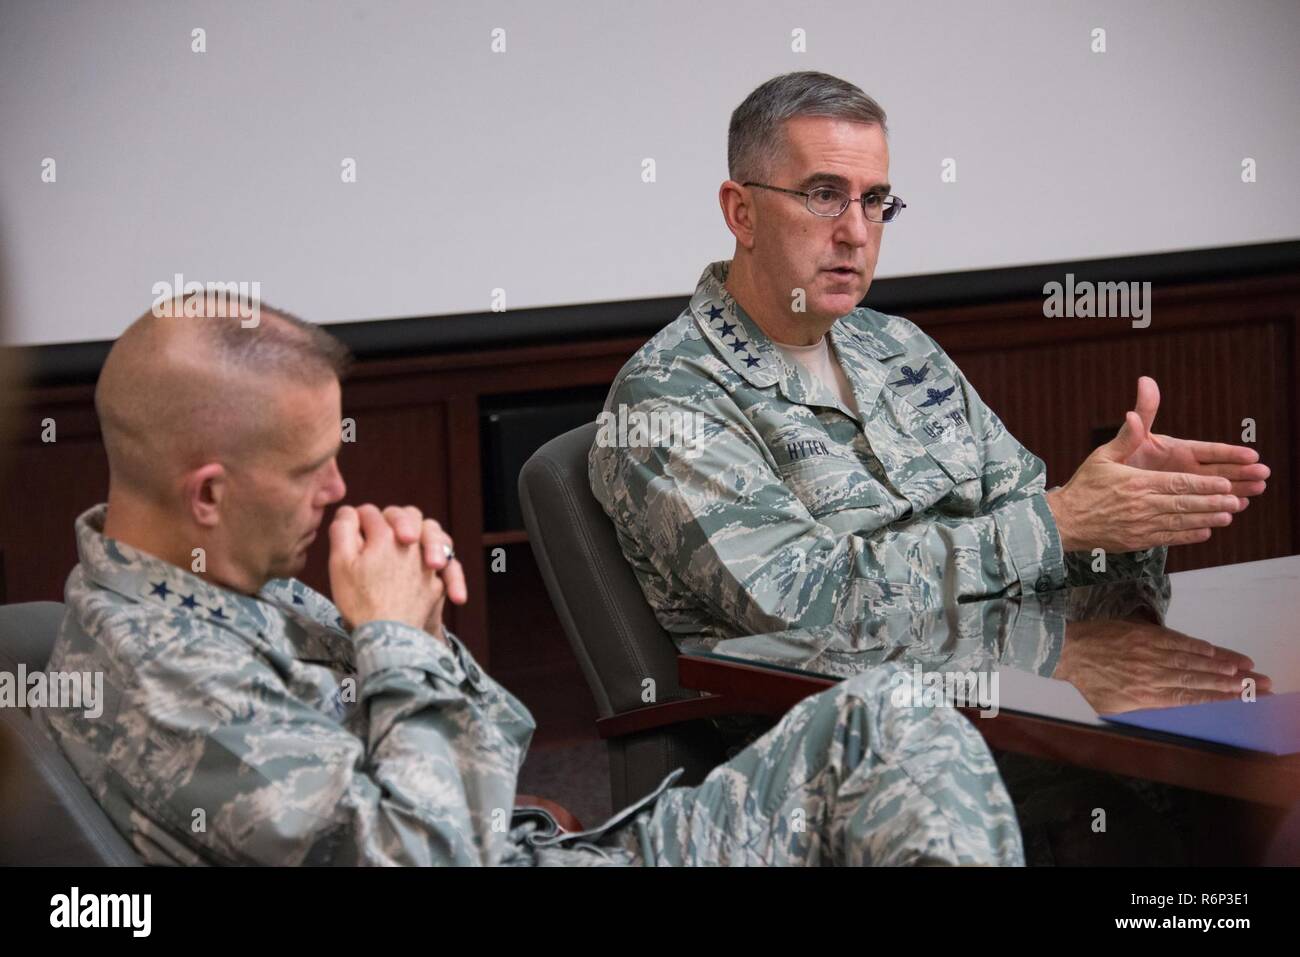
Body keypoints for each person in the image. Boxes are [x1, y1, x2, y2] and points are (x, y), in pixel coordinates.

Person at [38, 296, 1023, 866]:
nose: (338, 490)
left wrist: (411, 625)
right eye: (309, 472)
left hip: (548, 849)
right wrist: (400, 643)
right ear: (207, 494)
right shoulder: (159, 675)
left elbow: (491, 745)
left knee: (886, 717)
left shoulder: (222, 587)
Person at [589, 70, 1270, 645]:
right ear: (741, 213)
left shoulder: (900, 348)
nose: (856, 232)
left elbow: (1043, 530)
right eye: (824, 196)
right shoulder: (667, 397)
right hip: (850, 750)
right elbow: (802, 602)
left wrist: (1127, 513)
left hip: (1014, 690)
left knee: (1232, 743)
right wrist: (1061, 521)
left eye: (875, 200)